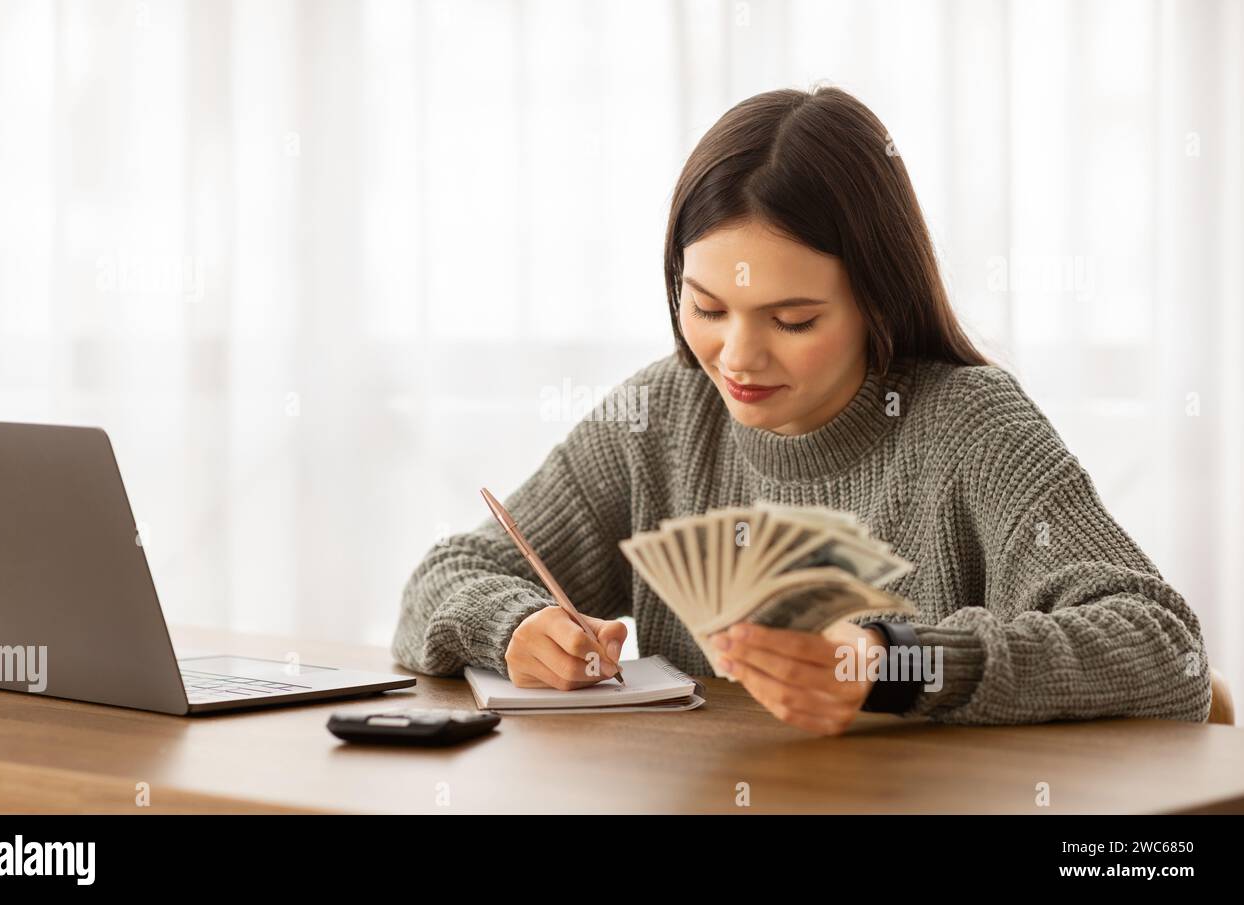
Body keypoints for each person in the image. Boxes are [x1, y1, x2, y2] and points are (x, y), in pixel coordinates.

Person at [392, 85, 1212, 735]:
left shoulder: (971, 427)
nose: (738, 359)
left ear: (876, 303)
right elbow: (441, 579)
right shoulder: (659, 416)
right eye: (706, 307)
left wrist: (897, 665)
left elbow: (1164, 648)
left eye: (793, 321)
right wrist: (515, 627)